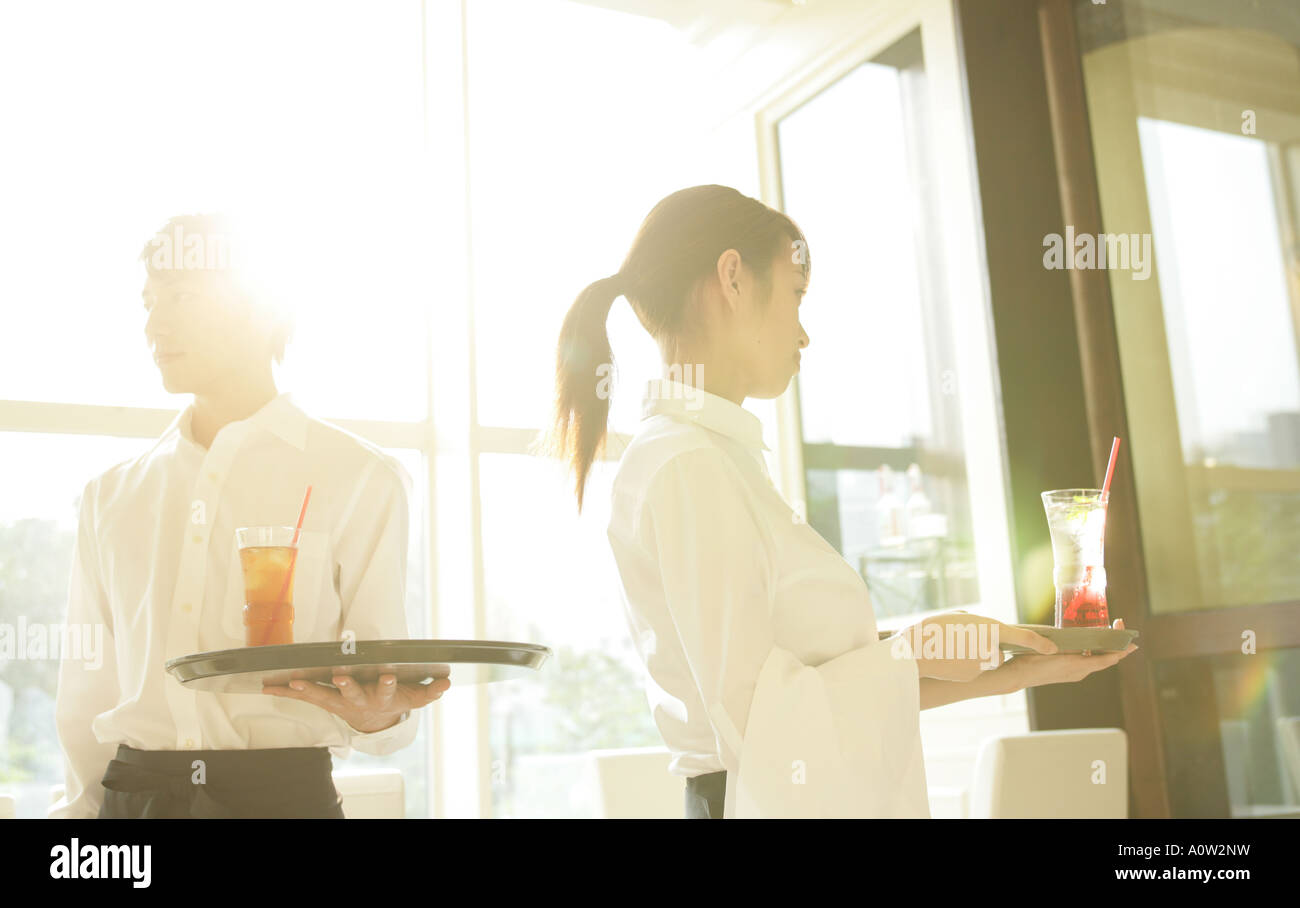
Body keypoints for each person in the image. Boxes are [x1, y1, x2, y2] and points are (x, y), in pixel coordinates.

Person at [549, 185, 1138, 818]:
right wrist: (913, 650)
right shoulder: (688, 464)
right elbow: (762, 718)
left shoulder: (711, 460)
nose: (804, 334)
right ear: (732, 277)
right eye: (797, 294)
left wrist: (1025, 669)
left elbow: (827, 696)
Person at [50, 214, 450, 818]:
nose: (155, 323)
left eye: (181, 296)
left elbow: (378, 681)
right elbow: (85, 701)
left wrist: (378, 718)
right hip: (131, 810)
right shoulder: (111, 496)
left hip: (286, 803)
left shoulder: (361, 477)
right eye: (149, 302)